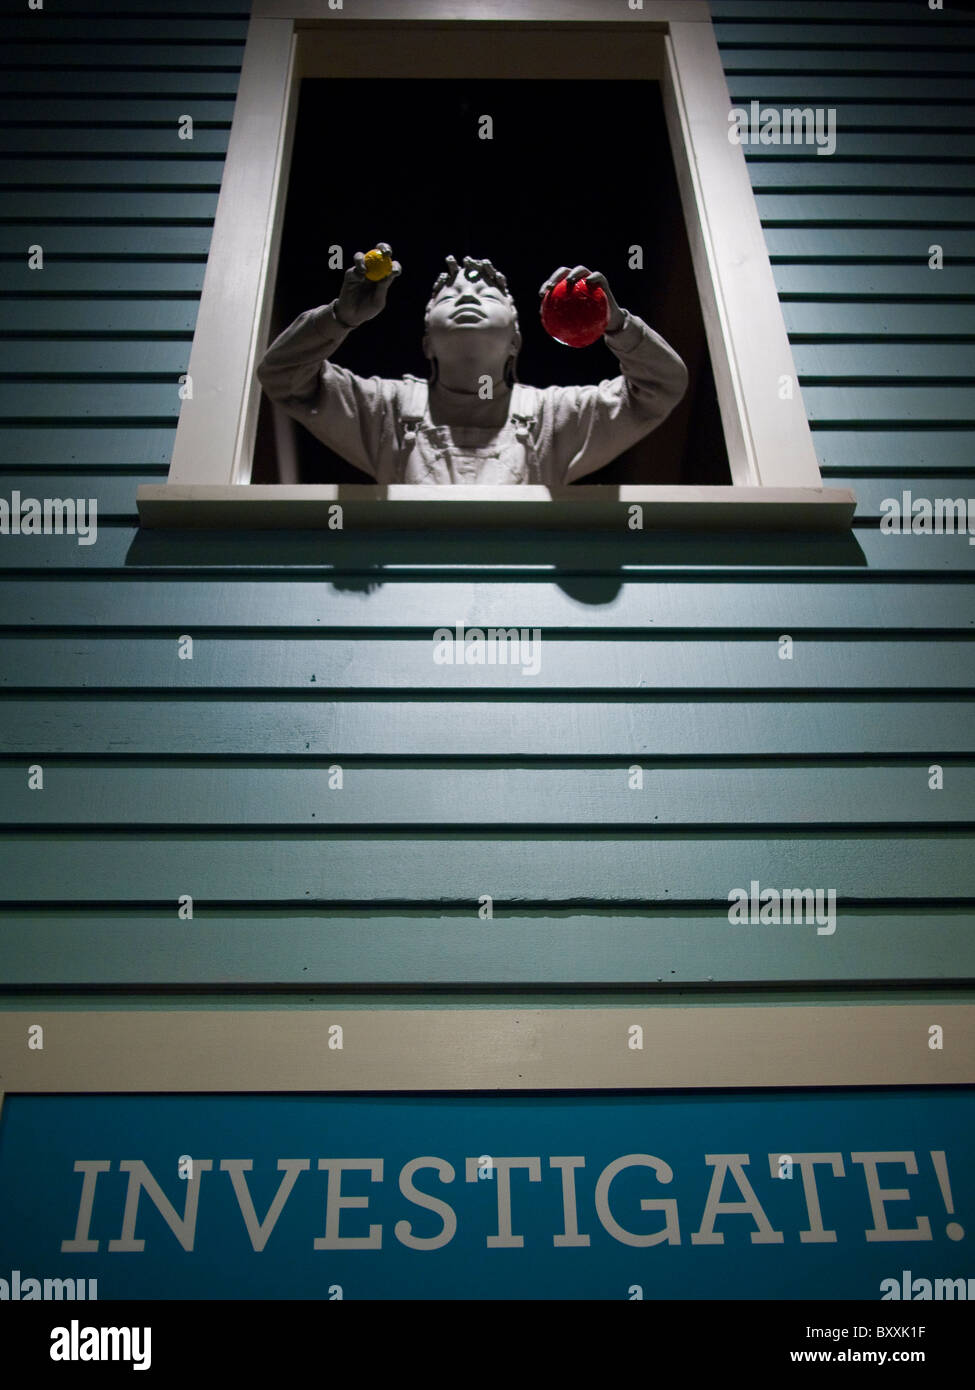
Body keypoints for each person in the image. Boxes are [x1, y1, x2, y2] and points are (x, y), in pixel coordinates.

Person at [256, 244, 688, 485]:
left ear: (515, 341)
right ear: (427, 344)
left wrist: (616, 323)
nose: (466, 296)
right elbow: (282, 377)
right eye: (448, 296)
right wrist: (339, 316)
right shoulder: (387, 412)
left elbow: (660, 388)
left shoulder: (553, 420)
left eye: (487, 296)